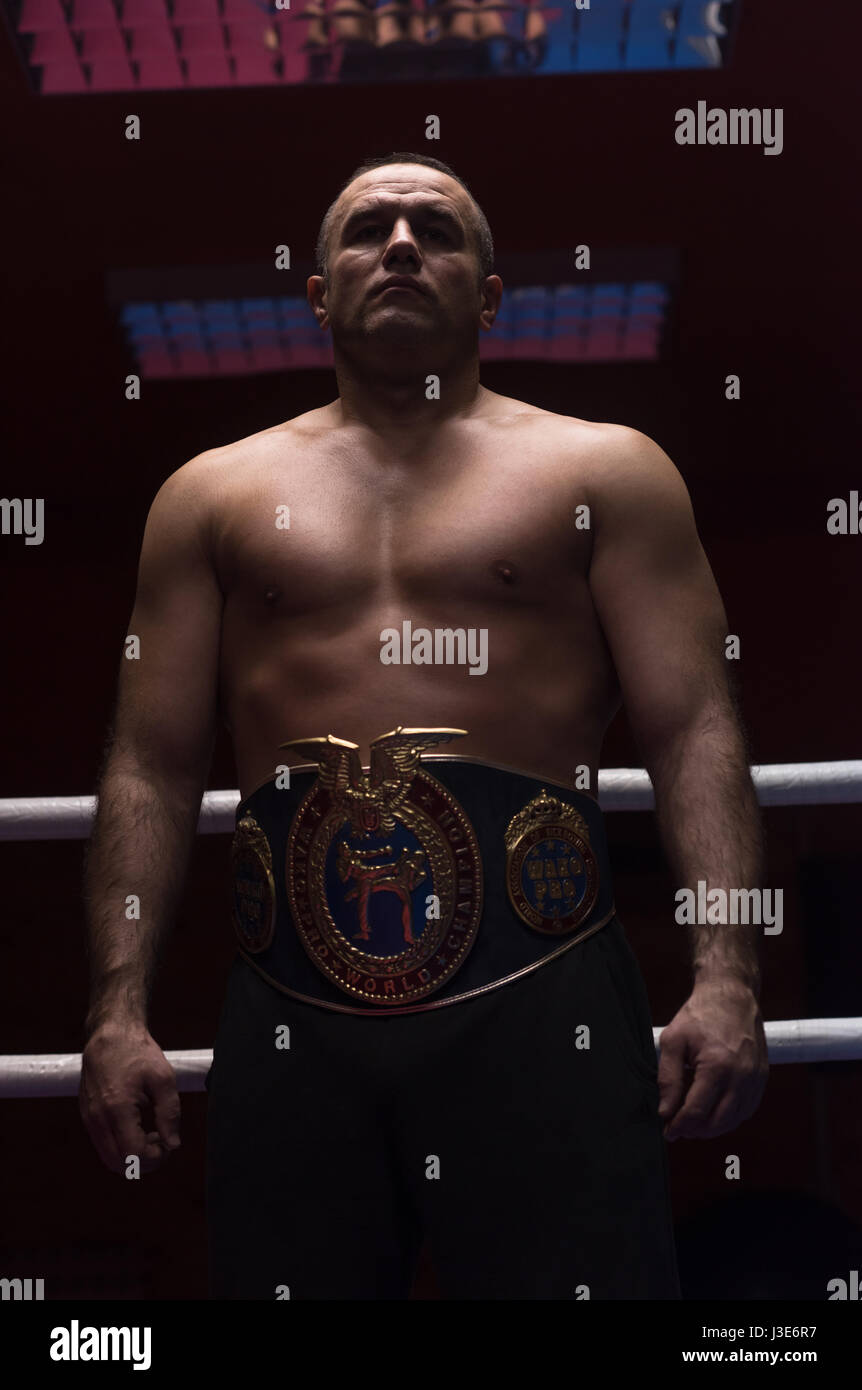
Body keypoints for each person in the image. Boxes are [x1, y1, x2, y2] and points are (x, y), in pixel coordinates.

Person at [79, 151, 769, 1300]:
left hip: (545, 1002)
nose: (400, 245)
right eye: (368, 229)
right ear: (317, 291)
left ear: (490, 296)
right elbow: (149, 763)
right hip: (292, 1018)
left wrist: (730, 976)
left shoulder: (603, 470)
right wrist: (113, 1012)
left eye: (436, 231)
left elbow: (695, 724)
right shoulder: (212, 495)